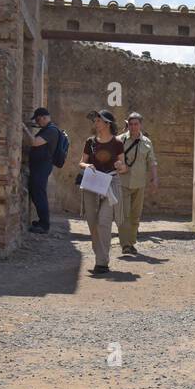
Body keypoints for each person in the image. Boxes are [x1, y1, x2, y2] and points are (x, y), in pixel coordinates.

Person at [79, 110, 128, 275]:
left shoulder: (117, 143)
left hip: (110, 184)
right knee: (92, 223)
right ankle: (99, 257)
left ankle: (102, 262)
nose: (96, 123)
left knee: (103, 222)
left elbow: (124, 166)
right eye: (96, 121)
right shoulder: (90, 142)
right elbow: (81, 163)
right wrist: (88, 166)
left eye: (98, 121)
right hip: (92, 184)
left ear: (107, 123)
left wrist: (119, 166)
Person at [115, 112, 159, 255]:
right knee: (124, 214)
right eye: (131, 124)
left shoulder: (147, 142)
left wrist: (155, 179)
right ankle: (125, 245)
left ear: (140, 125)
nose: (133, 127)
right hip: (122, 182)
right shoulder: (119, 140)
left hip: (139, 184)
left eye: (136, 124)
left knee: (135, 216)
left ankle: (131, 242)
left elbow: (152, 161)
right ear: (128, 124)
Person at [23, 107, 62, 234]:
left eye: (38, 120)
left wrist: (24, 128)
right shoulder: (47, 129)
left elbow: (34, 142)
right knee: (35, 192)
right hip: (39, 166)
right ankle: (41, 221)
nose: (38, 123)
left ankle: (44, 225)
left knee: (39, 194)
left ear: (44, 117)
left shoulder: (51, 131)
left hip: (43, 166)